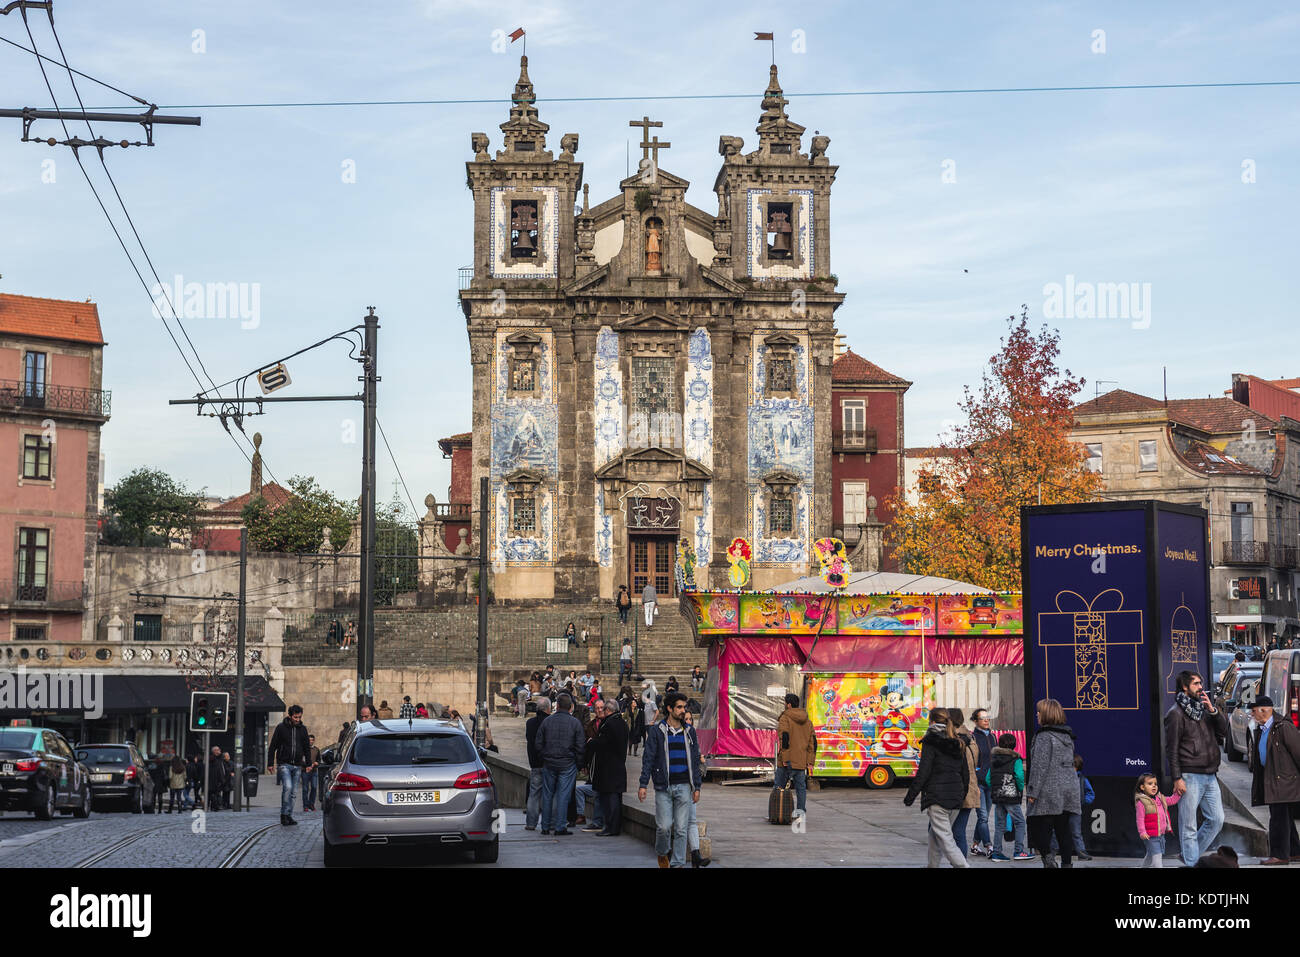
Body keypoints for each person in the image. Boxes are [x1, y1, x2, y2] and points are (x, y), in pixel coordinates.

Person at [1163, 670, 1228, 866]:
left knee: (1217, 820)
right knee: (1188, 826)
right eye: (1196, 684)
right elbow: (1171, 749)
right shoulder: (1175, 714)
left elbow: (1224, 732)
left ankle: (1188, 855)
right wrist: (1177, 778)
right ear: (1185, 687)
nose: (1201, 687)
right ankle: (1191, 862)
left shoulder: (1204, 709)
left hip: (1210, 774)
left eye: (1201, 683)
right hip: (1189, 775)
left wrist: (1214, 711)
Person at [639, 691, 702, 868]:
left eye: (684, 707)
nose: (683, 711)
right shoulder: (658, 731)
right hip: (663, 787)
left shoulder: (690, 732)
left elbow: (695, 760)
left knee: (681, 829)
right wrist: (643, 784)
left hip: (684, 786)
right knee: (664, 827)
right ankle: (662, 852)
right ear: (669, 709)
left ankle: (677, 864)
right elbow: (648, 758)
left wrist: (697, 786)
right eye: (679, 707)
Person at [902, 707, 970, 868]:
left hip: (937, 798)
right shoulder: (958, 741)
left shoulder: (931, 741)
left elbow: (924, 772)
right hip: (956, 797)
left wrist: (910, 796)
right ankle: (932, 865)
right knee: (935, 835)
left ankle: (963, 866)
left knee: (946, 839)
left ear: (931, 721)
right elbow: (965, 772)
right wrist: (962, 793)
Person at [1246, 695, 1300, 865]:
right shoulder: (1261, 728)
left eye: (1254, 711)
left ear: (1265, 710)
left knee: (1278, 819)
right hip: (1273, 780)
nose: (1252, 714)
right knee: (1284, 818)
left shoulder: (1283, 727)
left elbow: (1298, 753)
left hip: (1284, 781)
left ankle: (1280, 855)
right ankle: (1294, 851)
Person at [1026, 698, 1079, 868]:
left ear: (1046, 715)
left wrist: (1032, 791)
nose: (1037, 714)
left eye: (1039, 712)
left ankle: (1048, 860)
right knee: (1063, 829)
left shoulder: (1044, 736)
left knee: (1036, 826)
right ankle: (1066, 864)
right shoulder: (1067, 736)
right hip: (1067, 789)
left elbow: (1039, 766)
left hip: (1048, 789)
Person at [534, 693, 586, 837]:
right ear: (570, 707)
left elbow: (538, 744)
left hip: (549, 762)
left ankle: (545, 826)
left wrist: (544, 756)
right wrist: (578, 763)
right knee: (563, 796)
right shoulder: (575, 723)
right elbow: (580, 746)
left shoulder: (547, 721)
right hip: (567, 763)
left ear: (556, 705)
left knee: (547, 795)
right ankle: (560, 826)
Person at [985, 733, 1033, 861]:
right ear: (1014, 745)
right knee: (1020, 822)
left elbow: (988, 778)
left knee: (1000, 824)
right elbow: (1019, 776)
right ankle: (1019, 851)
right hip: (1011, 796)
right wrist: (1020, 788)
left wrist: (996, 788)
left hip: (998, 796)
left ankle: (996, 853)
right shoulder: (1016, 759)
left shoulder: (994, 759)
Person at [588, 698, 629, 836]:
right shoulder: (622, 723)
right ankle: (614, 827)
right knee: (615, 798)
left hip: (608, 769)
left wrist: (592, 742)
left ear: (608, 710)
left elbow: (604, 743)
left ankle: (610, 827)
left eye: (604, 709)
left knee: (610, 800)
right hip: (618, 766)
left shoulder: (609, 724)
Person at [268, 704, 311, 826]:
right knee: (287, 787)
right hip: (284, 764)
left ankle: (288, 815)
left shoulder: (303, 729)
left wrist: (308, 763)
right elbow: (273, 746)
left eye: (299, 717)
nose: (297, 720)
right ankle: (284, 814)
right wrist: (270, 763)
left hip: (297, 765)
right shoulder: (281, 728)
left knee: (294, 792)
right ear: (290, 716)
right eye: (295, 717)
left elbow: (307, 748)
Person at [775, 693, 816, 816]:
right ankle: (800, 812)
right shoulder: (808, 721)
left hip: (786, 762)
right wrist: (810, 762)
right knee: (801, 789)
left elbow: (785, 739)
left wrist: (785, 759)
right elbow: (812, 743)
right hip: (801, 762)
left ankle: (778, 812)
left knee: (779, 788)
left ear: (788, 705)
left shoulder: (785, 718)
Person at [948, 708, 980, 858]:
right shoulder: (971, 739)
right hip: (971, 790)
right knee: (959, 831)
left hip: (956, 791)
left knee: (951, 832)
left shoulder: (954, 740)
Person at [1135, 772, 1179, 867]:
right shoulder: (1141, 802)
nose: (1154, 786)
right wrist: (1142, 832)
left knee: (1150, 856)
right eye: (1150, 784)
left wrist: (1178, 793)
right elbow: (1140, 819)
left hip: (1160, 835)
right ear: (1142, 787)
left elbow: (1172, 800)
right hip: (1150, 836)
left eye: (1155, 784)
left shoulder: (1160, 799)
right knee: (1157, 860)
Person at [969, 708, 996, 856]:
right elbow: (971, 762)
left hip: (991, 783)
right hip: (978, 783)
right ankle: (989, 846)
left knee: (983, 817)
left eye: (988, 717)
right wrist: (974, 782)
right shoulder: (973, 738)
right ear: (975, 721)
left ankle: (974, 845)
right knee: (983, 817)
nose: (986, 720)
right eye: (982, 718)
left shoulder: (993, 737)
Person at [524, 696, 551, 831]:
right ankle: (549, 822)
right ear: (548, 708)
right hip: (548, 763)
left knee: (534, 794)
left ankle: (530, 823)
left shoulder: (530, 723)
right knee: (549, 793)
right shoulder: (550, 722)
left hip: (535, 763)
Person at [302, 734, 321, 812]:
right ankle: (305, 806)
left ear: (314, 741)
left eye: (312, 740)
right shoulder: (303, 749)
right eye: (309, 740)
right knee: (305, 789)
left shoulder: (316, 749)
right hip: (305, 771)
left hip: (314, 772)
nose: (310, 742)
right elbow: (301, 760)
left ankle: (311, 804)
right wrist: (307, 766)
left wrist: (317, 763)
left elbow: (319, 760)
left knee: (314, 787)